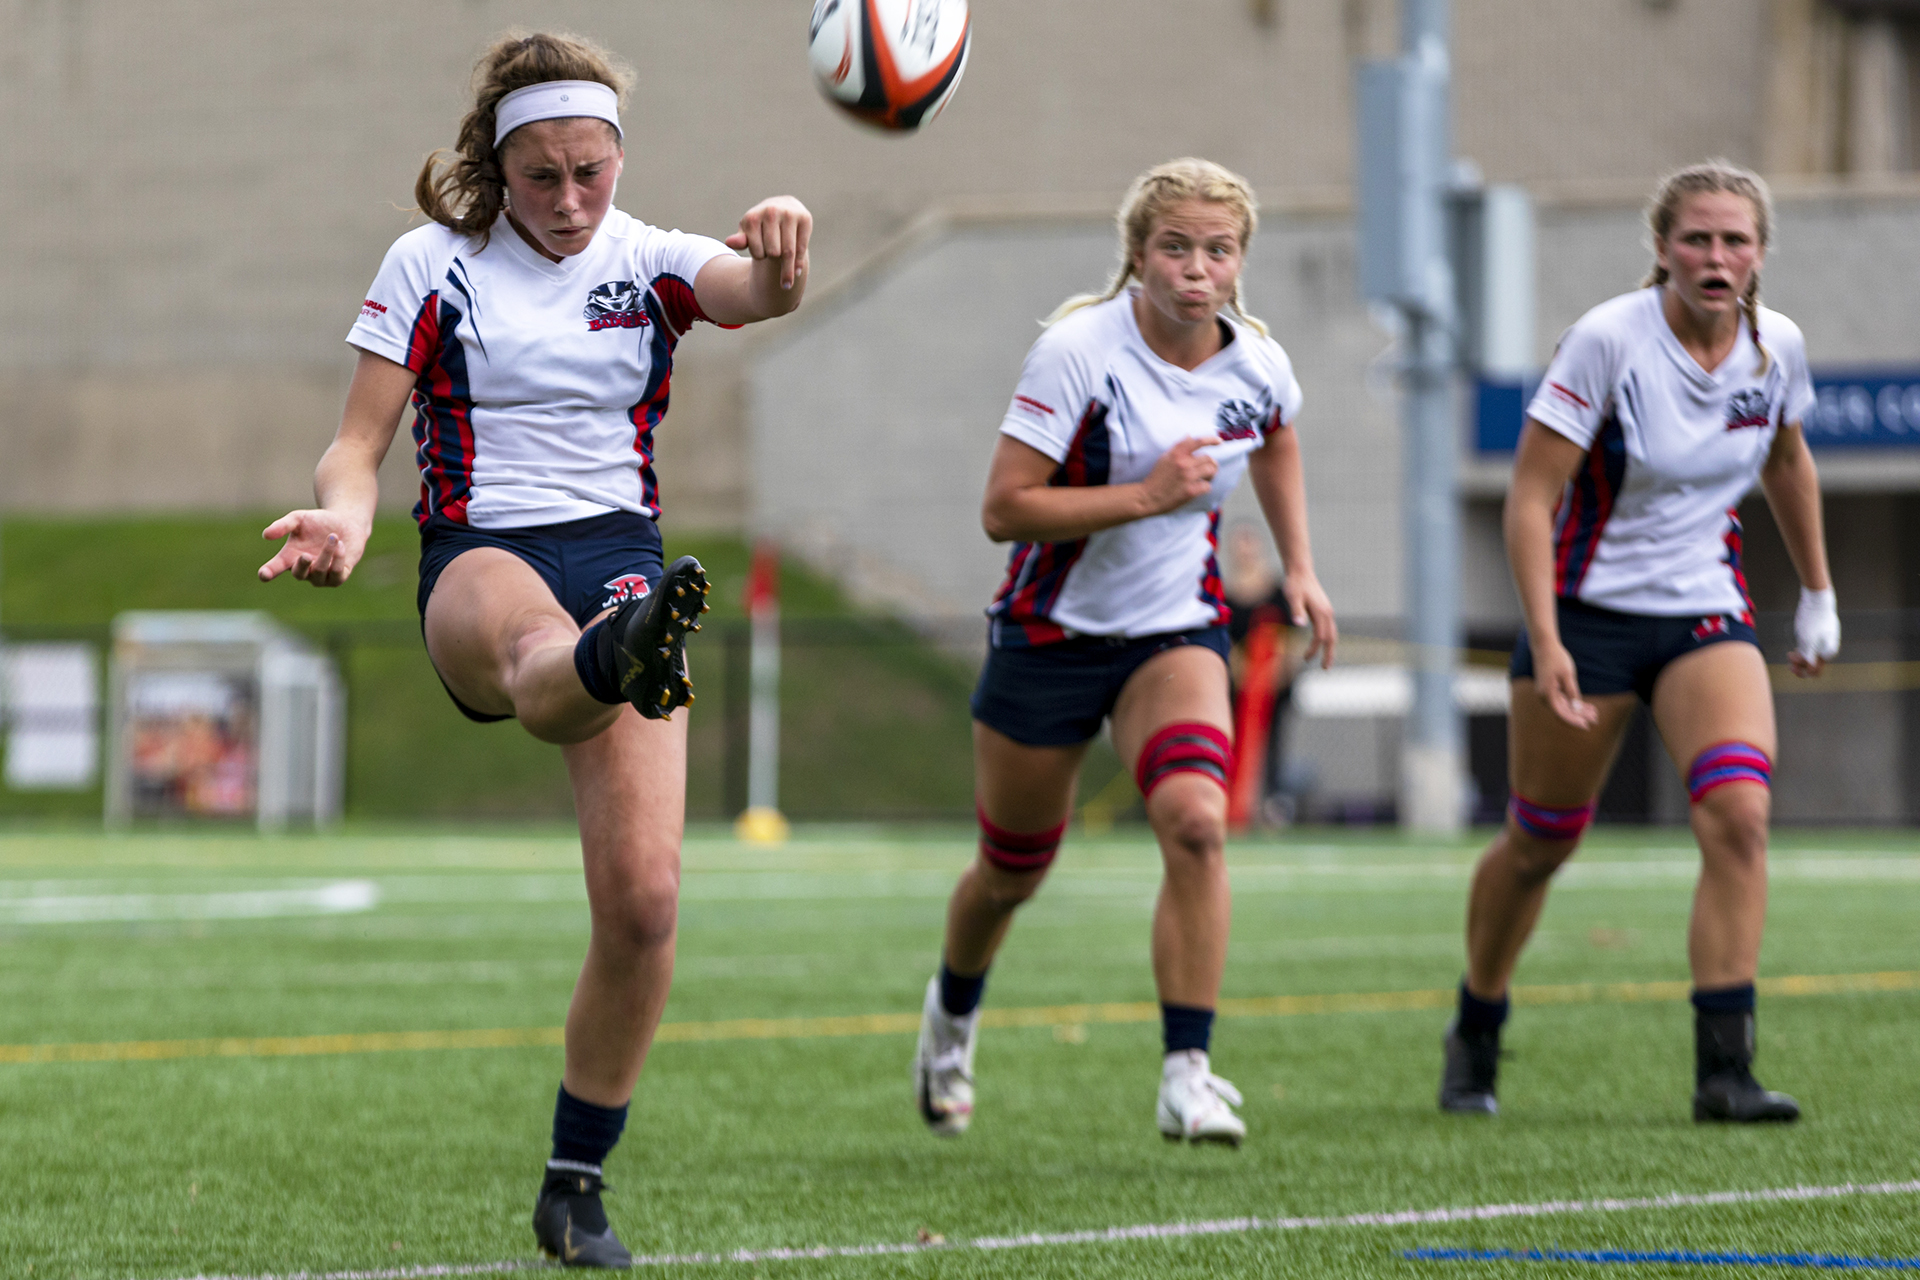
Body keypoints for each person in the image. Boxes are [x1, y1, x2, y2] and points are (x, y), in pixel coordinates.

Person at [257, 32, 811, 1266]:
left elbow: (751, 292)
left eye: (591, 174)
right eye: (543, 177)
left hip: (623, 547)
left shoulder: (651, 258)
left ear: (620, 160)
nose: (569, 203)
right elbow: (358, 442)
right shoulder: (433, 264)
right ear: (498, 167)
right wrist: (344, 519)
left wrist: (780, 250)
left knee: (647, 904)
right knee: (541, 662)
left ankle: (575, 1182)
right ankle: (619, 653)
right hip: (479, 551)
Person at [911, 158, 1337, 1148]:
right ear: (1138, 255)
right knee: (1011, 869)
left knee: (1196, 821)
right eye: (1176, 247)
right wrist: (1146, 494)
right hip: (1048, 636)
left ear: (1240, 263)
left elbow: (1275, 437)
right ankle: (952, 1015)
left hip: (1175, 630)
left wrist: (1300, 564)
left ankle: (1188, 1072)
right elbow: (1002, 508)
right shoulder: (1077, 352)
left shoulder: (1257, 362)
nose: (1197, 267)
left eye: (1217, 250)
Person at [1437, 160, 1839, 1124]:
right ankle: (1477, 1023)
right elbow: (1529, 499)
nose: (1715, 256)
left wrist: (1818, 591)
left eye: (1735, 240)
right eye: (1696, 238)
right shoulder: (1608, 340)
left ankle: (1724, 1071)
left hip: (1706, 612)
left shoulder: (1775, 345)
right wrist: (1546, 635)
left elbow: (1787, 459)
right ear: (1662, 248)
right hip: (1584, 616)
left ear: (1759, 255)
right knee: (1540, 840)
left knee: (1739, 817)